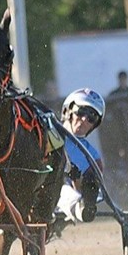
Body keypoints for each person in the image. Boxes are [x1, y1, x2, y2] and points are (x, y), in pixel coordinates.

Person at [56, 89, 105, 229]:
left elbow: (91, 190)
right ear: (68, 111)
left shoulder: (93, 157)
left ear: (94, 125)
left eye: (91, 117)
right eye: (81, 111)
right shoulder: (49, 133)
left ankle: (79, 208)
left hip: (66, 200)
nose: (84, 119)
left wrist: (77, 180)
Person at [103, 70, 128, 187]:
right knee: (118, 154)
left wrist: (127, 107)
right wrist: (117, 108)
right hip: (117, 131)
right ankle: (120, 181)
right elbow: (107, 110)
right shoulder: (114, 94)